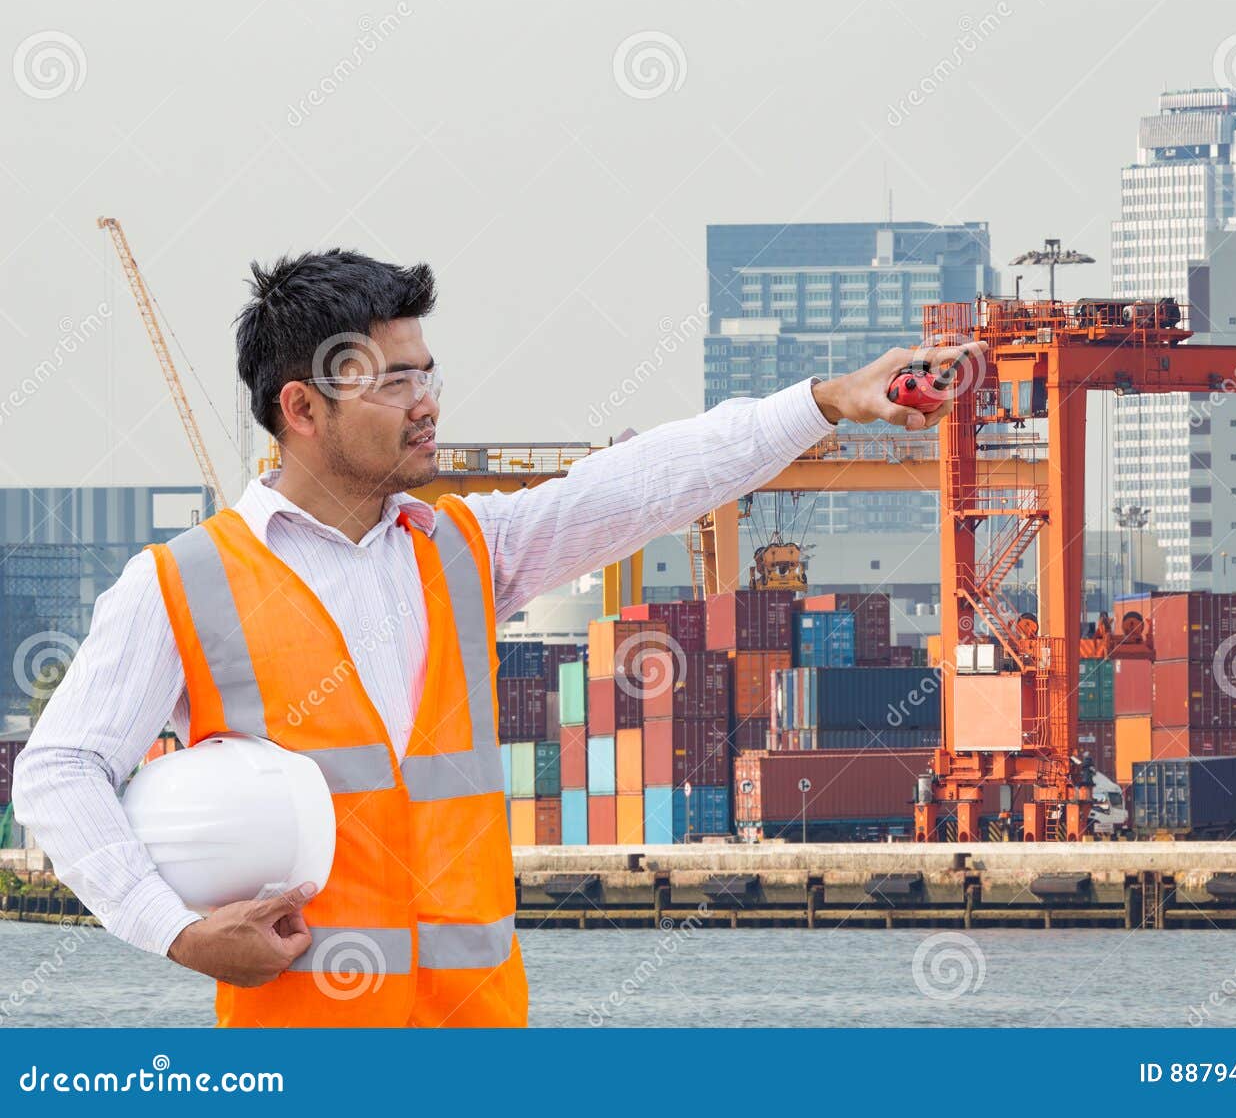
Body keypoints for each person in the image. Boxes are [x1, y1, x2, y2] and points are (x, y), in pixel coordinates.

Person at [13, 249, 980, 1027]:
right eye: (394, 380)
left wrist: (824, 402)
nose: (427, 400)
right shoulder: (182, 584)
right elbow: (59, 770)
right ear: (301, 408)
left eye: (427, 372)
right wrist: (176, 932)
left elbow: (640, 482)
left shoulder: (467, 551)